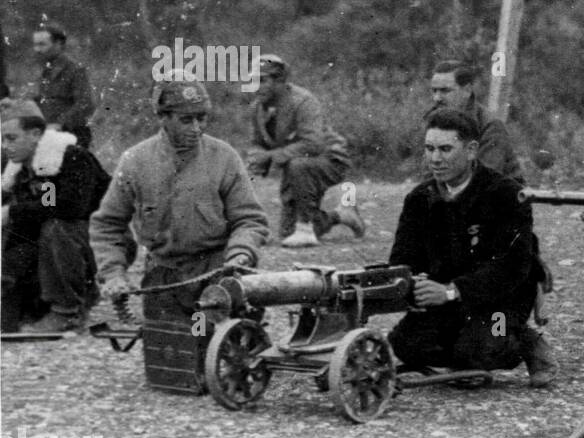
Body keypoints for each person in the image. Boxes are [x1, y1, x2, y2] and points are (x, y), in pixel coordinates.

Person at [387, 108, 557, 387]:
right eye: (429, 149)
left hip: (503, 301)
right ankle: (471, 345)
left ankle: (524, 340)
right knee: (404, 347)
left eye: (445, 149)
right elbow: (403, 257)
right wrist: (414, 285)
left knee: (475, 354)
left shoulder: (505, 193)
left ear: (471, 150)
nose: (435, 159)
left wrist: (452, 291)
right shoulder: (419, 198)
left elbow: (512, 269)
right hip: (448, 299)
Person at [91, 82, 269, 324]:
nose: (197, 128)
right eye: (187, 120)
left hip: (219, 271)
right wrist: (113, 274)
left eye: (202, 118)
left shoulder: (224, 157)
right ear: (163, 118)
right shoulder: (135, 161)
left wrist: (240, 254)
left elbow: (250, 220)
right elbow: (107, 225)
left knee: (231, 349)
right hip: (165, 277)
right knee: (170, 353)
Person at [2, 100, 107, 332]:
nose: (5, 146)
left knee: (56, 226)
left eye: (11, 138)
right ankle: (45, 303)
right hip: (61, 247)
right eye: (2, 139)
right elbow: (28, 225)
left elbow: (68, 208)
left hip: (101, 244)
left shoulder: (71, 157)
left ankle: (67, 310)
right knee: (11, 318)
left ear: (35, 134)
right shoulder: (23, 169)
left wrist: (11, 212)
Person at [246, 54, 365, 247]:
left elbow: (313, 143)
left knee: (298, 164)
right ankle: (341, 215)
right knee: (286, 233)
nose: (256, 86)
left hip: (329, 159)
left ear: (280, 81)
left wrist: (271, 156)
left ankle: (306, 226)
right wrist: (256, 159)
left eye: (262, 80)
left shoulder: (302, 101)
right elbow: (258, 143)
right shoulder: (257, 108)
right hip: (296, 165)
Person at [424, 59, 523, 184]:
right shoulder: (435, 122)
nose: (437, 98)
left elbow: (484, 178)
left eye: (445, 91)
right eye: (434, 91)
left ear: (467, 90)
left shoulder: (490, 125)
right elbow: (429, 175)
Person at [26, 22, 95, 150]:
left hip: (71, 135)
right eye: (35, 45)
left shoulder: (74, 70)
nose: (37, 50)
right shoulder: (45, 71)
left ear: (58, 44)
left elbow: (85, 104)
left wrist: (59, 124)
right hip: (49, 136)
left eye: (42, 44)